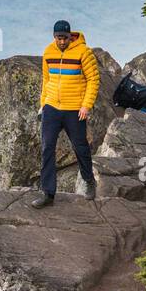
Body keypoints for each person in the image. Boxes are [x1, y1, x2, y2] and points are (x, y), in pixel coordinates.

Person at [31, 19, 98, 207]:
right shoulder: (48, 52)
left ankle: (89, 180)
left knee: (80, 147)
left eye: (65, 38)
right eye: (59, 38)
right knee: (46, 148)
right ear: (54, 37)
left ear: (71, 36)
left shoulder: (84, 52)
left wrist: (86, 105)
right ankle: (48, 194)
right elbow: (46, 78)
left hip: (74, 109)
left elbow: (93, 79)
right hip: (52, 107)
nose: (62, 41)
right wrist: (43, 104)